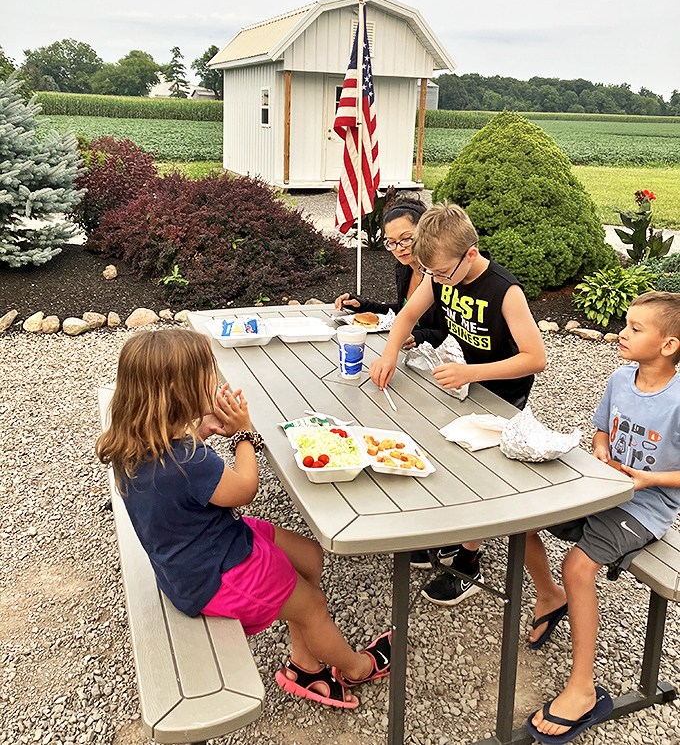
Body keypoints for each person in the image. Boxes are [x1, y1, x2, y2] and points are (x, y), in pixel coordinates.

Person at [95, 329, 391, 709]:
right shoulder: (190, 461)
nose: (216, 382)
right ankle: (356, 667)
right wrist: (244, 435)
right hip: (214, 574)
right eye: (208, 375)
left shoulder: (138, 441)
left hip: (197, 551)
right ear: (177, 390)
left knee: (310, 556)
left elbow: (186, 486)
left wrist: (200, 429)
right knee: (314, 604)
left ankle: (304, 662)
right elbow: (245, 490)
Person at [369, 203, 546, 605]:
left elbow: (536, 358)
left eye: (443, 274)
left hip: (502, 390)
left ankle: (469, 558)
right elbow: (406, 316)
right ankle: (448, 532)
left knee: (478, 470)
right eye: (431, 274)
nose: (437, 282)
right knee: (445, 453)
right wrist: (389, 354)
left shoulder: (505, 291)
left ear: (470, 253)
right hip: (464, 380)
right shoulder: (439, 272)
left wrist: (472, 374)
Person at [525, 291, 680, 745]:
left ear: (668, 345)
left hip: (645, 508)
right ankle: (549, 597)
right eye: (625, 324)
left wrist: (648, 481)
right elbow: (599, 429)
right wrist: (600, 450)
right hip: (601, 490)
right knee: (521, 519)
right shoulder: (619, 378)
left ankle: (584, 689)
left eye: (635, 328)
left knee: (578, 565)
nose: (623, 333)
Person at [335, 194, 446, 350]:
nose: (399, 248)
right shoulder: (404, 269)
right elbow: (404, 311)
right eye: (392, 242)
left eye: (407, 238)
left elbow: (457, 333)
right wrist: (362, 305)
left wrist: (421, 336)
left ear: (426, 232)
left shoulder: (444, 275)